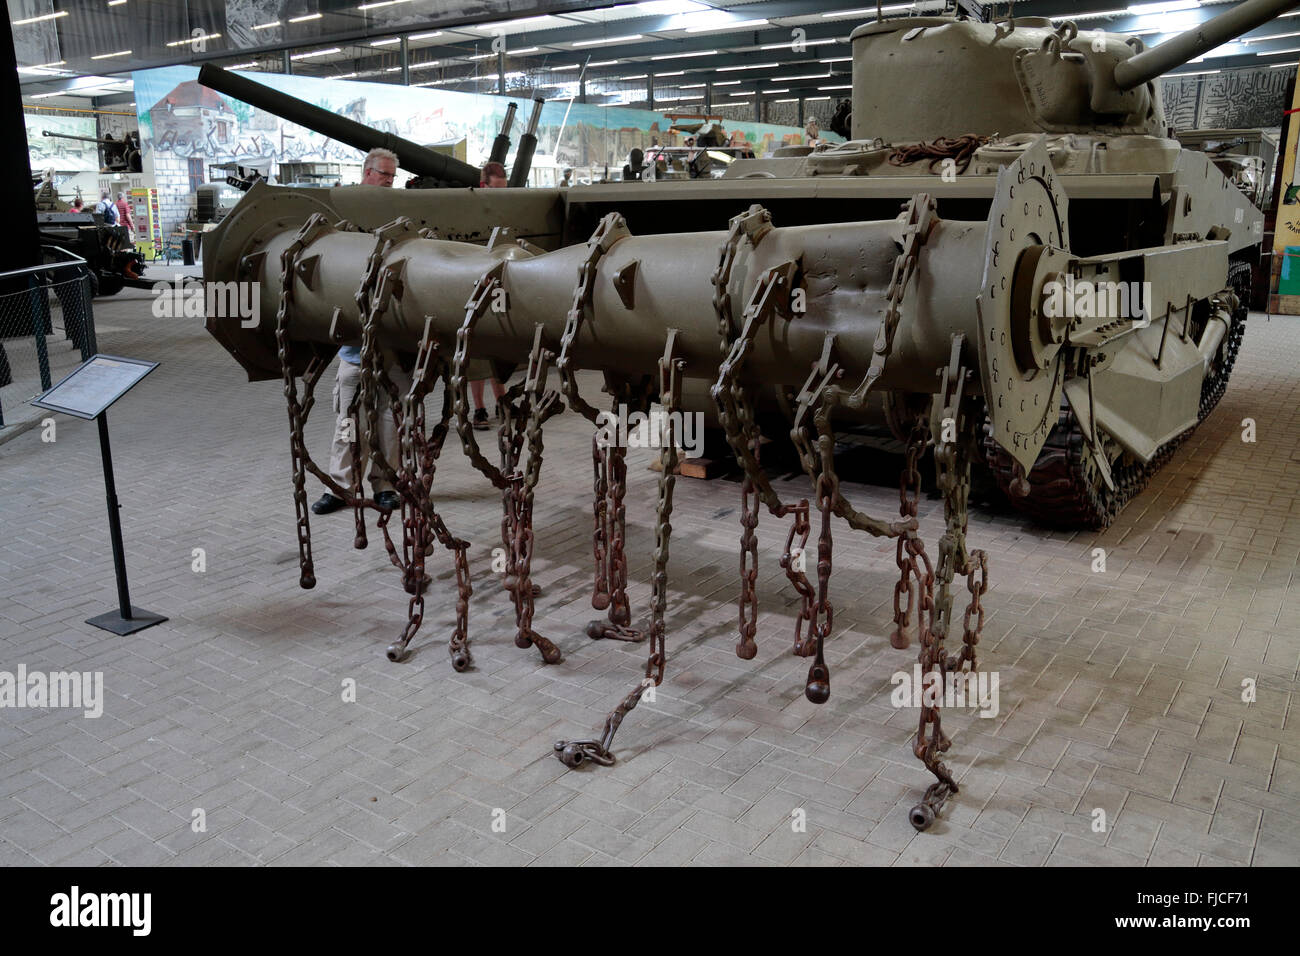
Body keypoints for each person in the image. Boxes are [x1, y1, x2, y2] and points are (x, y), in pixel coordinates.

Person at [312, 147, 409, 515]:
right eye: (383, 174)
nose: (388, 181)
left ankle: (385, 485)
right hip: (355, 350)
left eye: (391, 176)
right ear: (367, 172)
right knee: (348, 422)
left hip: (393, 347)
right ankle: (341, 487)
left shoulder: (401, 219)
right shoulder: (346, 216)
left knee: (387, 422)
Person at [470, 161, 509, 430]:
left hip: (500, 284)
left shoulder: (504, 208)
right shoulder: (472, 211)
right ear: (484, 186)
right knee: (476, 355)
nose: (501, 194)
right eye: (496, 189)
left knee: (499, 346)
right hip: (476, 286)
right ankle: (479, 409)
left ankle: (502, 402)